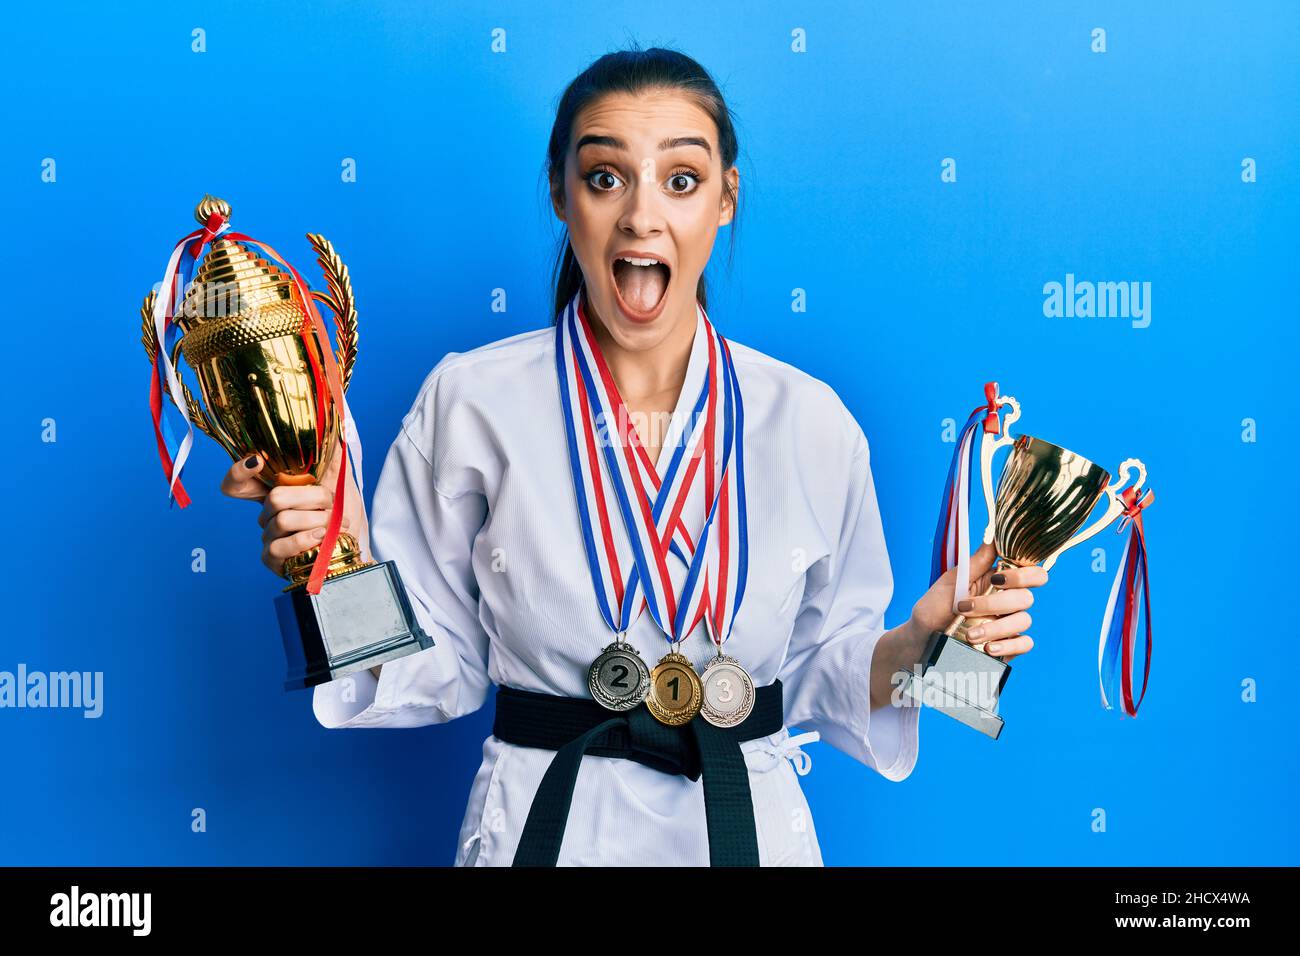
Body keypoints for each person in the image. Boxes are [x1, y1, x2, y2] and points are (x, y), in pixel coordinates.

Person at [220, 46, 1045, 867]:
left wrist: (941, 648)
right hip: (542, 834)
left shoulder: (811, 421)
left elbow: (830, 690)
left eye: (681, 181)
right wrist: (331, 569)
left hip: (744, 837)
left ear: (726, 200)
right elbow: (425, 677)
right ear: (560, 194)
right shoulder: (469, 400)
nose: (642, 217)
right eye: (605, 178)